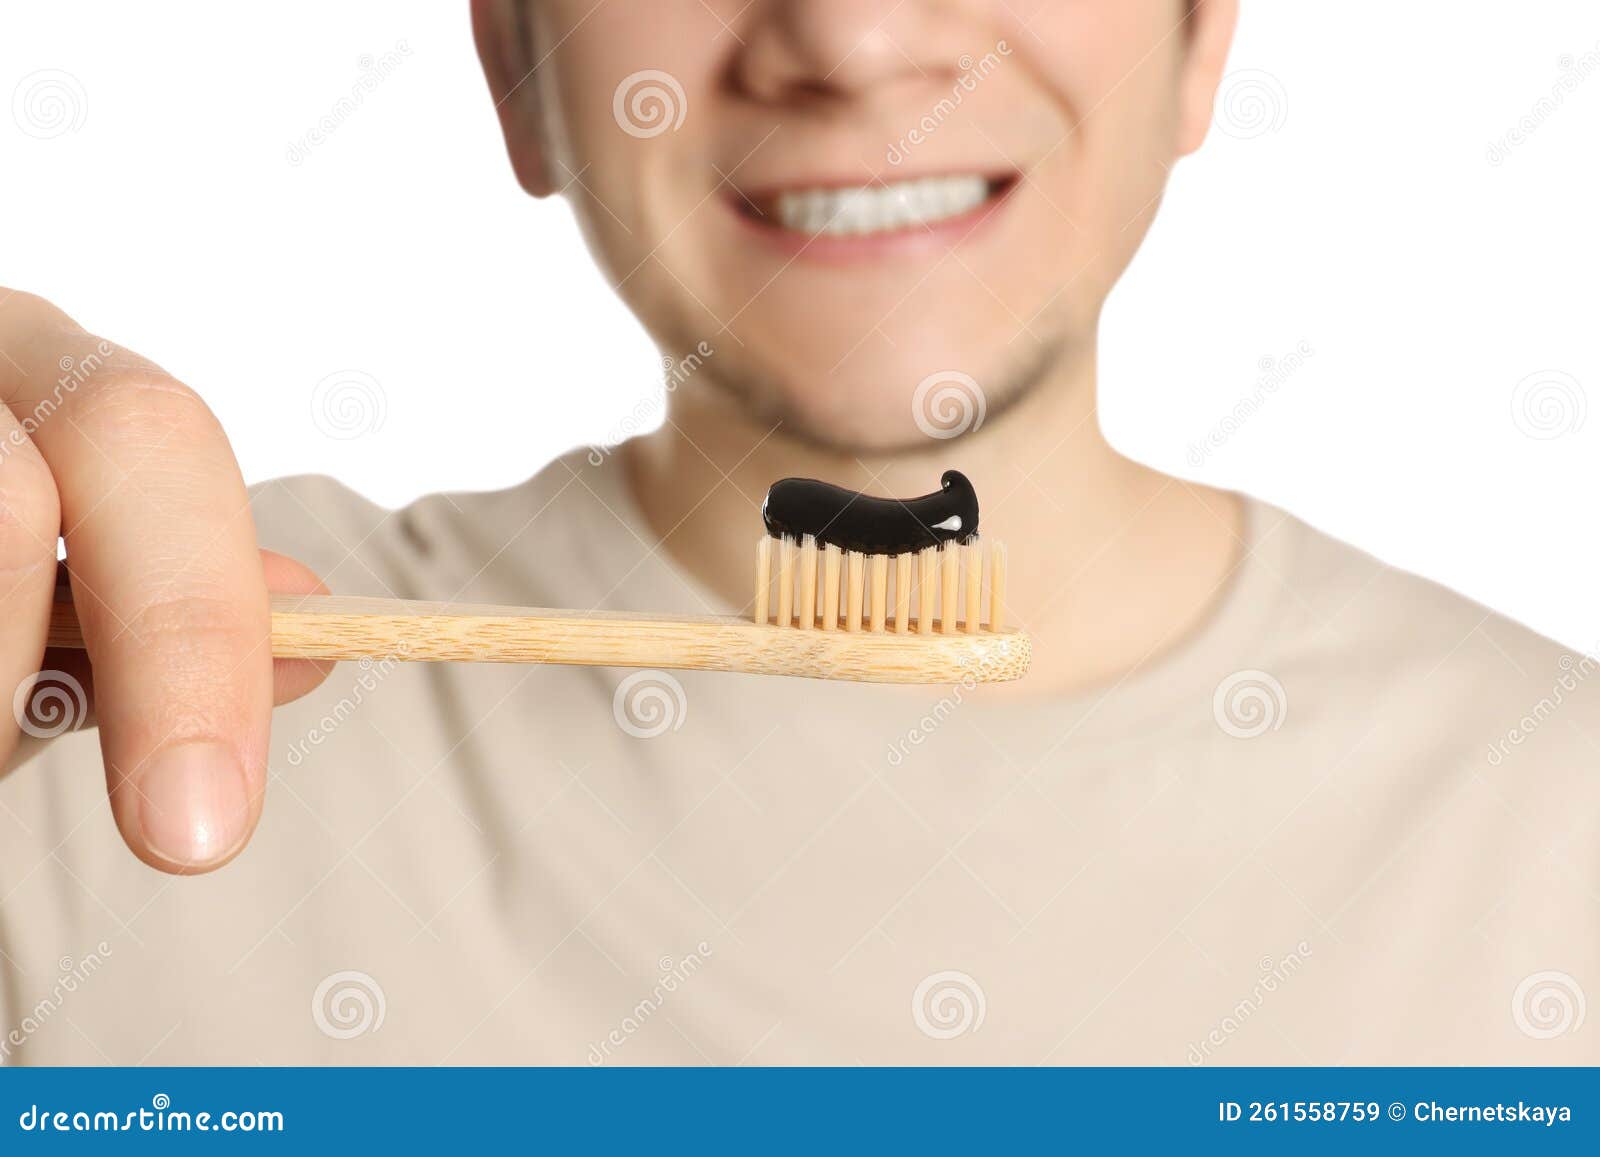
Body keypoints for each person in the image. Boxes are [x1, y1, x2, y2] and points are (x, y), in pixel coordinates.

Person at [1, 0, 1594, 1064]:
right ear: (514, 62)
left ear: (1204, 30)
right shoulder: (107, 701)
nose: (854, 37)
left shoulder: (1556, 831)